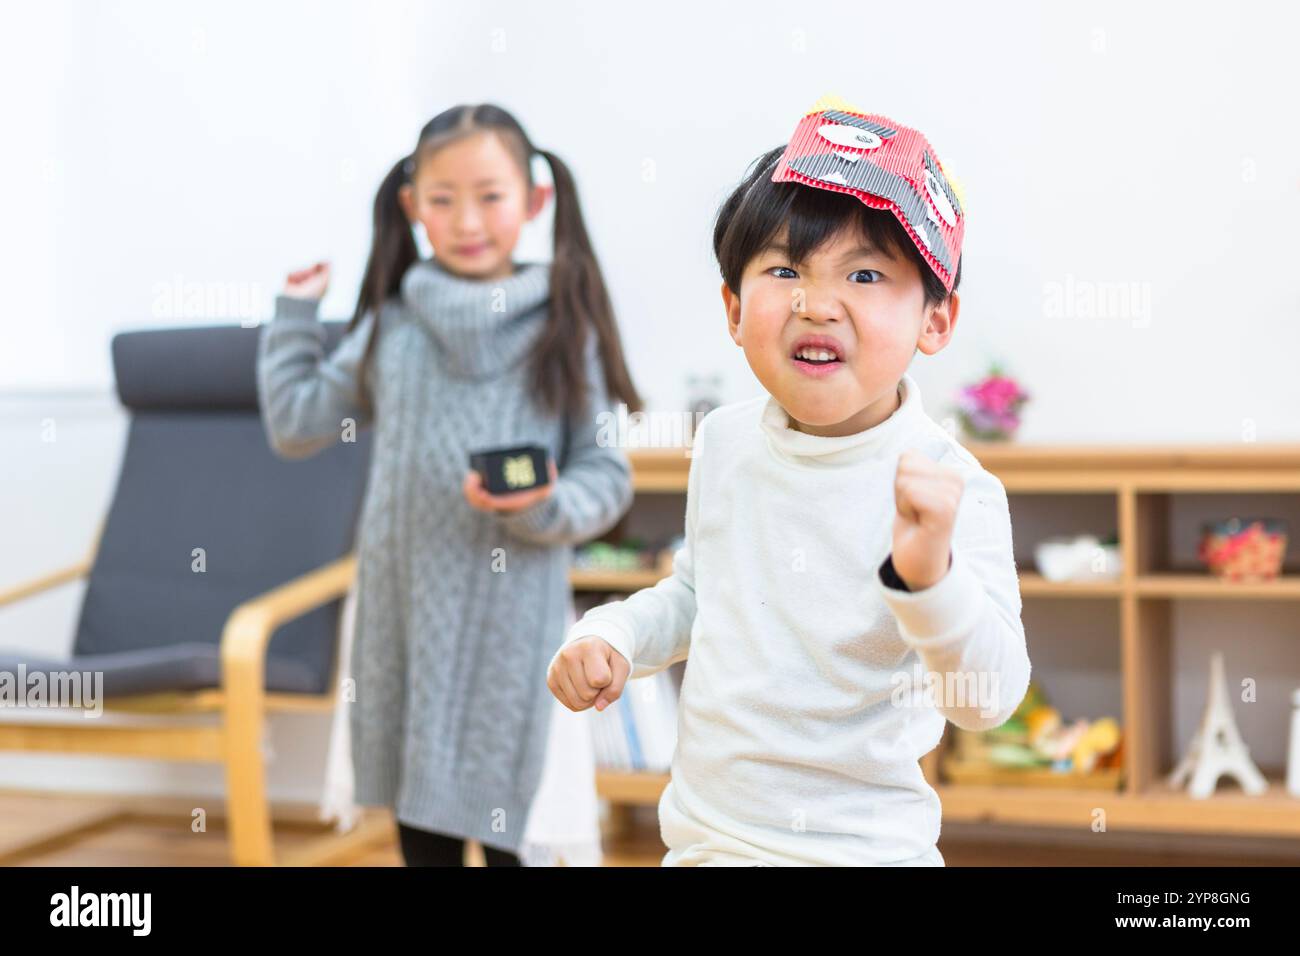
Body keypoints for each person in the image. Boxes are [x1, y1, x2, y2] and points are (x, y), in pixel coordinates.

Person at [547, 99, 1031, 866]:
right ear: (735, 308)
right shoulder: (726, 441)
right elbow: (701, 597)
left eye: (866, 273)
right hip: (709, 845)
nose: (816, 303)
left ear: (935, 321)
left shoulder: (948, 485)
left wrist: (930, 580)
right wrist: (615, 633)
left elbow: (985, 700)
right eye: (784, 269)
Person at [257, 103, 639, 866]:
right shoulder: (391, 328)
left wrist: (542, 506)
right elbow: (297, 424)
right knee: (420, 823)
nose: (467, 219)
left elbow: (607, 476)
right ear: (411, 205)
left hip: (516, 634)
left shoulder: (567, 330)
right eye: (442, 198)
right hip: (403, 621)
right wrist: (296, 315)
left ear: (534, 202)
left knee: (509, 831)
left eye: (491, 195)